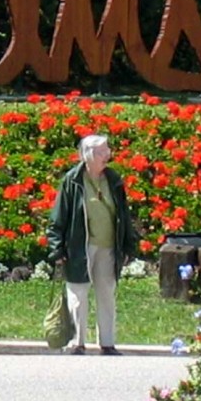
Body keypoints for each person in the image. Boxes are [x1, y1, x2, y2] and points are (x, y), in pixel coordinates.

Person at [46, 133, 138, 356]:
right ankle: (77, 342)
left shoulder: (113, 180)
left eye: (107, 150)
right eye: (102, 152)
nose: (108, 155)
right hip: (79, 247)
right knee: (78, 292)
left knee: (106, 292)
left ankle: (107, 343)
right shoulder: (72, 180)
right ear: (88, 156)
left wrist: (128, 245)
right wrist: (57, 248)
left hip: (108, 246)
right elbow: (59, 216)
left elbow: (123, 215)